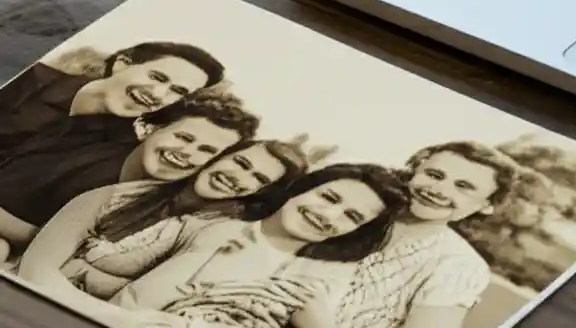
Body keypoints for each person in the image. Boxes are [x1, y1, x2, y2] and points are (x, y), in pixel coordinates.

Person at [111, 163, 408, 328]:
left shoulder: (325, 280)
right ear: (303, 189)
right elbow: (132, 308)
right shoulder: (222, 232)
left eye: (352, 216)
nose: (329, 216)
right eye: (328, 198)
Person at [18, 139, 309, 302]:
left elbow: (133, 307)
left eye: (258, 179)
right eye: (240, 163)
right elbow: (35, 266)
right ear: (219, 156)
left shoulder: (220, 234)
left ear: (259, 193)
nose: (238, 177)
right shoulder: (125, 195)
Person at [0, 92, 258, 259]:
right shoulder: (82, 152)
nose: (186, 153)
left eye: (206, 151)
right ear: (149, 128)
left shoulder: (175, 201)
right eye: (183, 137)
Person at [332, 141, 525, 328]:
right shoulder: (358, 211)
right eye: (434, 175)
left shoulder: (459, 266)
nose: (438, 190)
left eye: (463, 186)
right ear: (414, 171)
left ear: (488, 205)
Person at [0, 41, 226, 151]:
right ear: (122, 64)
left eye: (177, 91)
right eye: (157, 77)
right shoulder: (30, 79)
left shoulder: (119, 148)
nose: (158, 94)